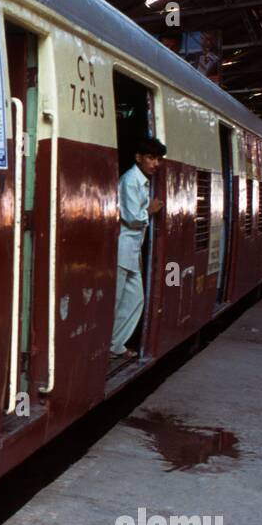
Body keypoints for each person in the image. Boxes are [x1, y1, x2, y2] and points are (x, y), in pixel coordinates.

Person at [110, 137, 165, 359]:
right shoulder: (130, 180)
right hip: (123, 249)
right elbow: (132, 217)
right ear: (138, 158)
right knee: (116, 299)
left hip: (131, 252)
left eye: (158, 159)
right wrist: (150, 210)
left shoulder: (141, 180)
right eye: (151, 158)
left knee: (134, 299)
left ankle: (115, 343)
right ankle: (109, 346)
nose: (155, 163)